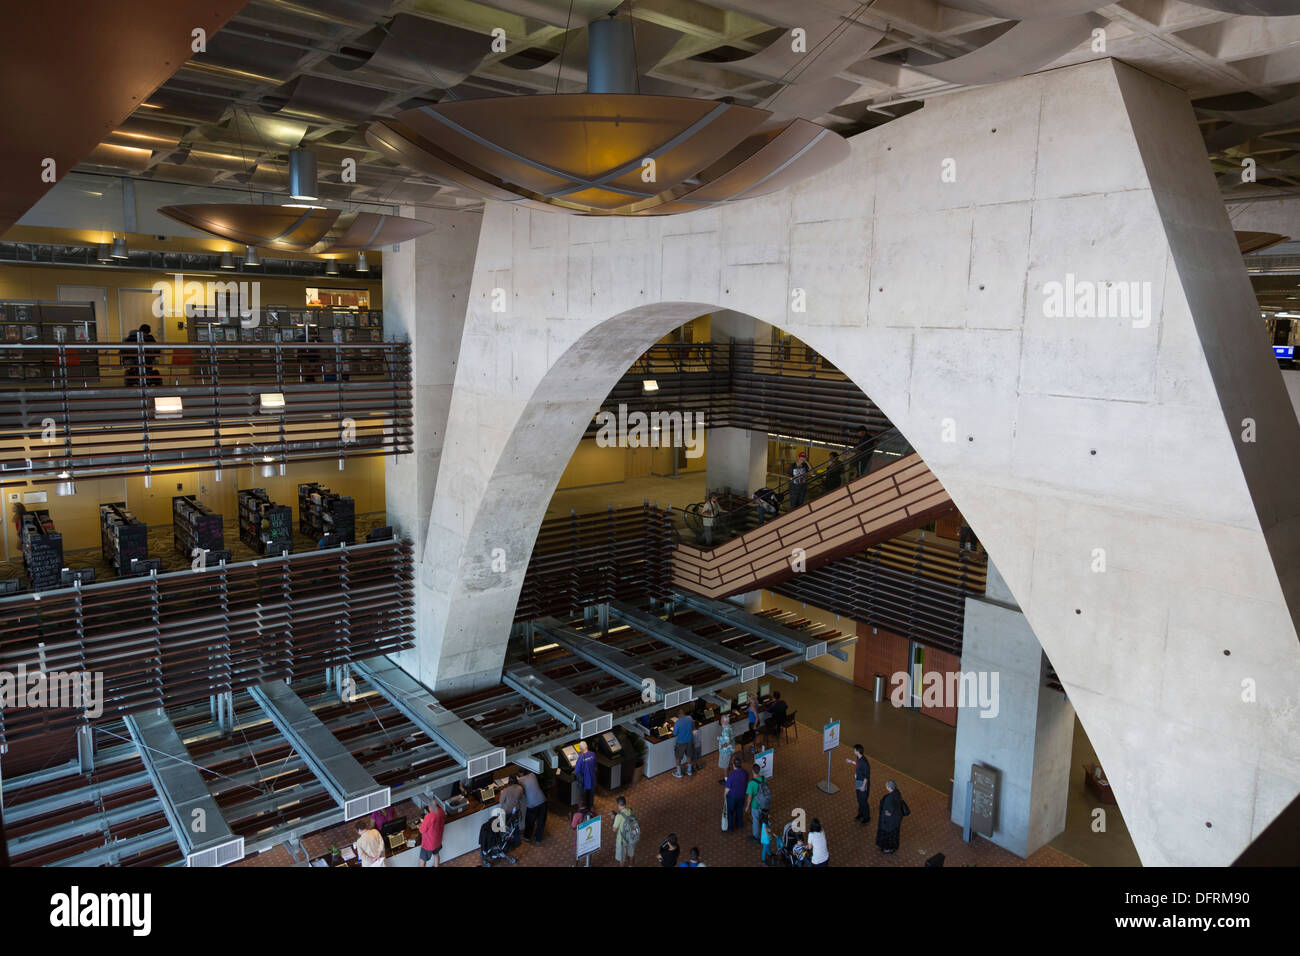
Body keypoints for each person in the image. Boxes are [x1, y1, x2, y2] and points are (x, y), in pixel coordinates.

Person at [876, 780, 909, 854]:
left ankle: (888, 848)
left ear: (888, 787)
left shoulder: (889, 799)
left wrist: (885, 813)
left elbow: (888, 813)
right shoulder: (897, 793)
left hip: (890, 822)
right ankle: (893, 846)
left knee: (888, 835)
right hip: (897, 819)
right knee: (894, 834)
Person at [520, 768, 548, 844]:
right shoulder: (533, 775)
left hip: (532, 804)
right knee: (541, 821)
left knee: (529, 821)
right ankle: (538, 839)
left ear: (521, 774)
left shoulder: (520, 780)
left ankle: (527, 837)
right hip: (542, 800)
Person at [845, 744, 871, 825]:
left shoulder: (865, 763)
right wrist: (851, 762)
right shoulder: (859, 758)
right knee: (860, 800)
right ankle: (861, 814)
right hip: (858, 782)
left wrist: (863, 786)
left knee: (863, 801)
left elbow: (867, 776)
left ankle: (866, 817)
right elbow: (858, 765)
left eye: (854, 750)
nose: (853, 751)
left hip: (863, 784)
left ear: (857, 751)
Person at [744, 762, 770, 842]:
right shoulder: (764, 779)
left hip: (755, 805)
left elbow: (749, 797)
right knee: (764, 819)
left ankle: (756, 836)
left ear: (752, 771)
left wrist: (747, 807)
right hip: (764, 804)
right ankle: (766, 833)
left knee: (755, 820)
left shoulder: (751, 783)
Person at [612, 796, 640, 867]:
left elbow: (614, 830)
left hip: (622, 840)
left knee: (622, 858)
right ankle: (631, 865)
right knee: (631, 854)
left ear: (618, 805)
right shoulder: (630, 810)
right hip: (632, 837)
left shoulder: (618, 816)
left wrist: (613, 819)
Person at [723, 755, 748, 833]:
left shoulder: (732, 775)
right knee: (739, 810)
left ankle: (730, 828)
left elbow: (727, 788)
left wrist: (724, 795)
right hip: (742, 795)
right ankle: (739, 824)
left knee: (730, 812)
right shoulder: (745, 773)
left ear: (733, 765)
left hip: (732, 797)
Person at [418, 801, 445, 868]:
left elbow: (421, 830)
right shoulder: (442, 811)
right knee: (436, 854)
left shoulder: (429, 816)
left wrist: (422, 822)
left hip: (428, 843)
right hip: (438, 840)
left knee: (422, 861)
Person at [672, 707, 695, 778]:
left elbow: (675, 733)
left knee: (678, 758)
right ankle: (689, 771)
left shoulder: (678, 722)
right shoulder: (690, 718)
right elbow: (693, 727)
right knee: (689, 756)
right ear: (684, 713)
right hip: (689, 741)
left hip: (681, 743)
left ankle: (679, 773)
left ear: (678, 715)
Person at [574, 740, 597, 810]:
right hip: (592, 780)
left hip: (585, 782)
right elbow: (595, 766)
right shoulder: (593, 754)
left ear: (580, 749)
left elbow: (577, 771)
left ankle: (585, 810)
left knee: (584, 797)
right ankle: (591, 808)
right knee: (591, 796)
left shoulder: (580, 757)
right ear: (587, 747)